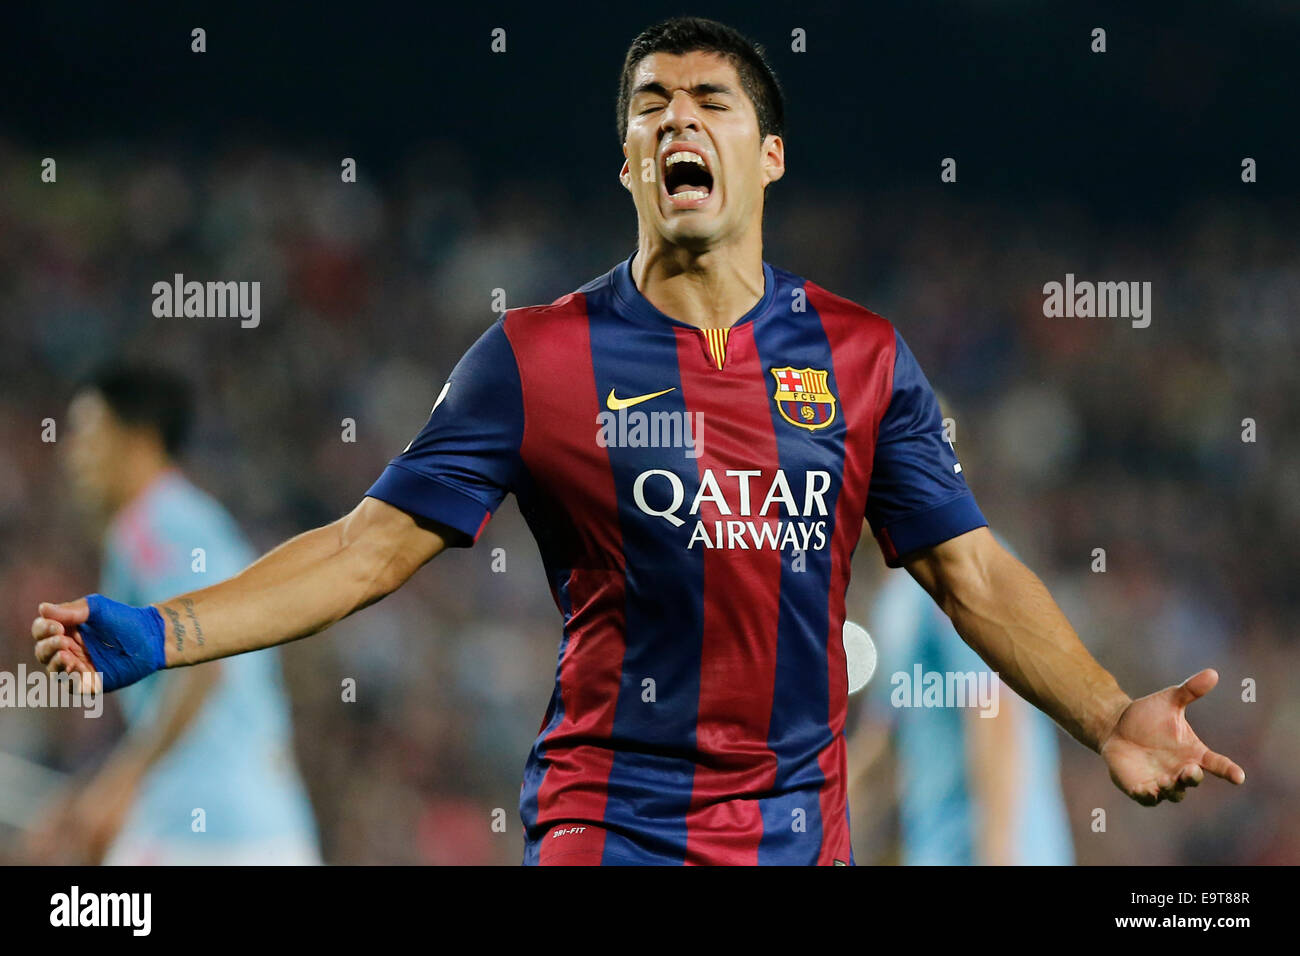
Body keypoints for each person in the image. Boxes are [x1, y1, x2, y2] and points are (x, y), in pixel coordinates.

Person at [31, 17, 1243, 866]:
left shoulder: (861, 356)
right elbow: (363, 550)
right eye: (650, 105)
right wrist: (162, 629)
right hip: (604, 831)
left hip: (791, 843)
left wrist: (1104, 715)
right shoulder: (535, 358)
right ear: (627, 162)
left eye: (709, 100)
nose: (677, 118)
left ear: (766, 158)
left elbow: (967, 569)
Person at [27, 364, 320, 865]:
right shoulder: (196, 520)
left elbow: (204, 663)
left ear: (138, 439)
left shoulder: (152, 524)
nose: (73, 454)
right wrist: (94, 789)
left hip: (203, 827)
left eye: (87, 433)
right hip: (265, 823)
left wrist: (119, 785)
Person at [850, 542, 1075, 865]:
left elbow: (995, 711)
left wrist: (999, 852)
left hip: (1001, 852)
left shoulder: (963, 562)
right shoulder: (895, 600)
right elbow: (882, 747)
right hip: (933, 850)